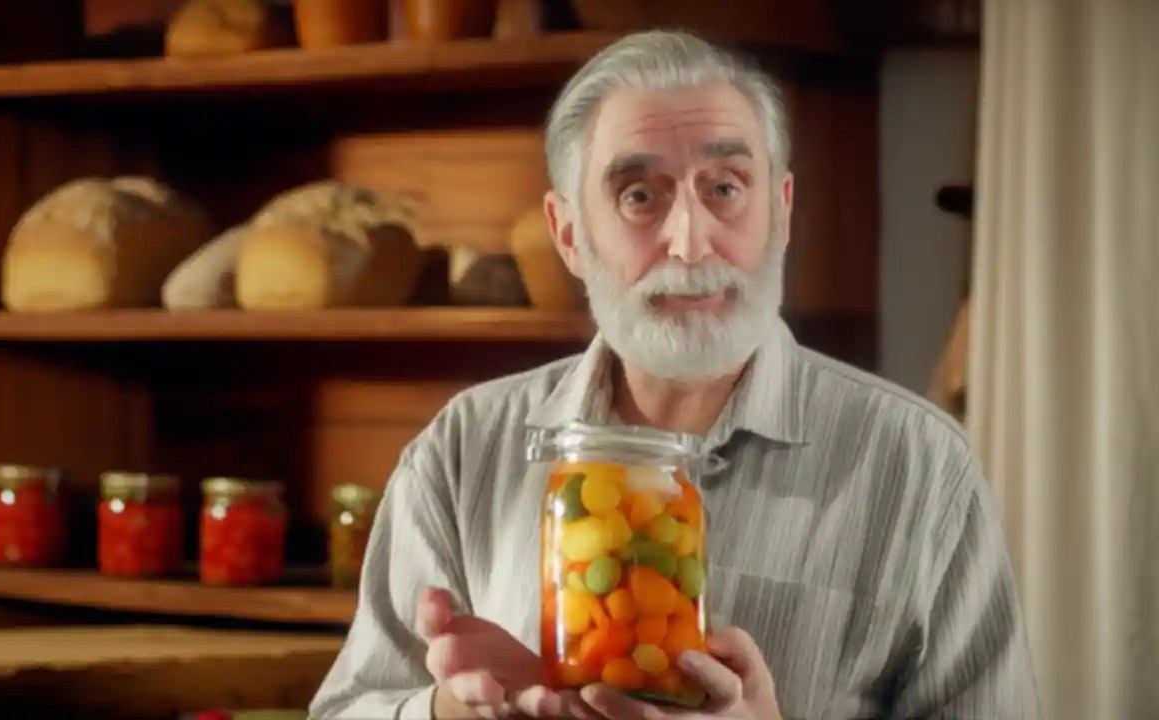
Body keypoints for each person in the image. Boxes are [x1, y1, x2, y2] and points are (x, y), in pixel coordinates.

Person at [309, 30, 1040, 720]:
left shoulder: (920, 468)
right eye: (638, 195)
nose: (690, 242)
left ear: (780, 213)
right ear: (568, 233)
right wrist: (442, 713)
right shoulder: (466, 447)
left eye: (725, 188)